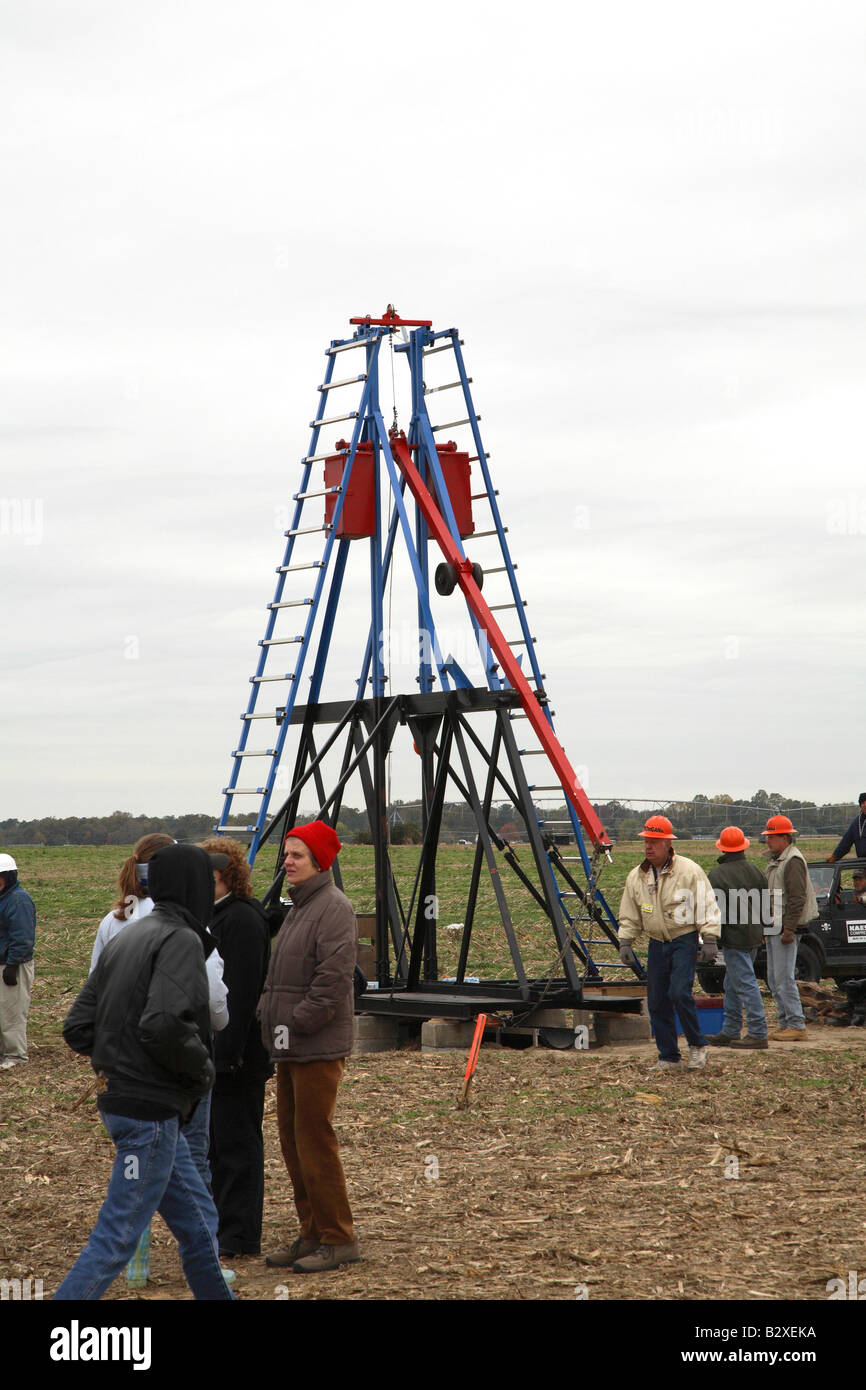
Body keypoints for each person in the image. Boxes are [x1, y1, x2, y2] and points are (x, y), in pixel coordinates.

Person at [55, 843, 235, 1301]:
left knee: (195, 1229)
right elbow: (163, 1024)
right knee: (116, 1237)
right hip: (149, 1116)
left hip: (125, 1103)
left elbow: (78, 1027)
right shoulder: (181, 939)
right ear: (194, 887)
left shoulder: (127, 935)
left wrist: (118, 1058)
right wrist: (202, 1074)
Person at [258, 820, 360, 1273]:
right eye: (287, 854)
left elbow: (333, 980)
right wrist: (266, 1008)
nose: (288, 861)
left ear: (320, 860)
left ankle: (340, 1239)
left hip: (315, 1045)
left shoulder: (333, 907)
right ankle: (312, 1233)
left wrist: (296, 1022)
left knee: (315, 1142)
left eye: (297, 854)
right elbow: (279, 970)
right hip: (290, 1044)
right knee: (292, 1142)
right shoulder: (299, 906)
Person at [199, 836, 272, 1260]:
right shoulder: (212, 916)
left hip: (237, 1058)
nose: (205, 883)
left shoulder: (241, 919)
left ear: (229, 876)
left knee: (237, 1147)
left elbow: (239, 994)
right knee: (216, 1147)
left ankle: (240, 1236)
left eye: (211, 876)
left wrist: (226, 1056)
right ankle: (221, 1229)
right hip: (216, 1056)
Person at [618, 815, 721, 1071]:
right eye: (646, 842)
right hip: (657, 943)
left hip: (684, 940)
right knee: (656, 1000)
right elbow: (630, 911)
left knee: (678, 992)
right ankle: (668, 1056)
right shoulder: (637, 877)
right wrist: (626, 942)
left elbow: (706, 904)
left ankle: (697, 1046)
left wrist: (709, 938)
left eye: (654, 842)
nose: (648, 847)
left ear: (667, 844)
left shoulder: (688, 871)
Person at [705, 826, 769, 1049]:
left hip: (733, 937)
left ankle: (758, 1032)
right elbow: (766, 905)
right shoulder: (756, 871)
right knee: (731, 983)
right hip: (754, 936)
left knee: (745, 983)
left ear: (722, 848)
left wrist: (708, 937)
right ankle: (731, 1031)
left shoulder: (716, 875)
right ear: (743, 847)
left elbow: (712, 910)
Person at [762, 814, 817, 1042]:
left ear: (785, 837)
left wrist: (789, 930)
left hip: (785, 927)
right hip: (776, 926)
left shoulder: (793, 861)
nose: (767, 841)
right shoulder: (779, 860)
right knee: (774, 979)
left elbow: (796, 898)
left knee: (784, 978)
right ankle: (786, 1023)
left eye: (772, 837)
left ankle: (796, 1024)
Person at [0, 853, 36, 1070]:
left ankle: (15, 1056)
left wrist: (13, 965)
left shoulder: (18, 900)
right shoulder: (4, 898)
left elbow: (23, 937)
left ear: (7, 877)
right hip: (3, 962)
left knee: (12, 1011)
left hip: (12, 965)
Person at [827, 794, 866, 863]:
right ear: (860, 805)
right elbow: (845, 843)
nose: (865, 805)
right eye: (862, 803)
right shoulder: (857, 823)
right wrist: (834, 857)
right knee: (857, 874)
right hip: (862, 864)